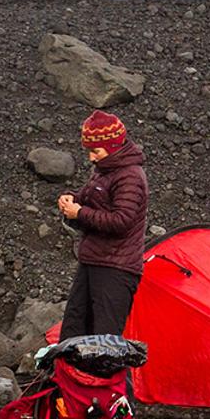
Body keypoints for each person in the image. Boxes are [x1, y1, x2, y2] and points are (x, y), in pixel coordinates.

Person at [55, 109, 148, 340]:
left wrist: (80, 213)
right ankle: (66, 376)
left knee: (104, 341)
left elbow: (122, 220)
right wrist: (71, 200)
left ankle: (107, 378)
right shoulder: (104, 171)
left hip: (115, 269)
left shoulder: (130, 176)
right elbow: (92, 200)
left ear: (113, 146)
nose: (91, 157)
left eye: (95, 151)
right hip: (92, 262)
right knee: (74, 331)